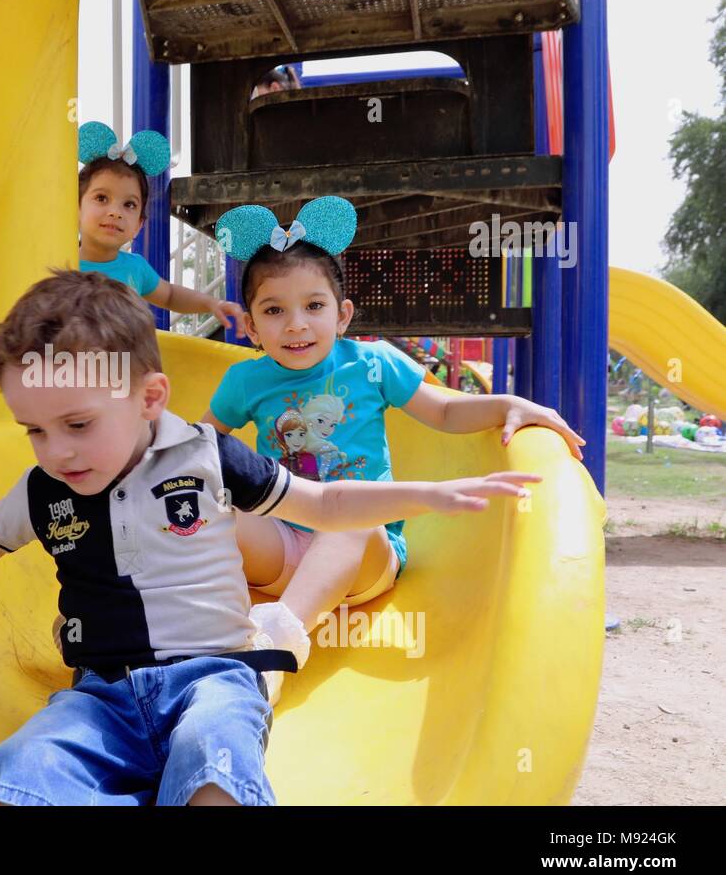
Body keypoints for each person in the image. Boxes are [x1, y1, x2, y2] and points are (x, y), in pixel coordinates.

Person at [0, 270, 538, 806]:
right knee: (15, 775)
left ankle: (274, 644)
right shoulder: (49, 492)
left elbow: (323, 502)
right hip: (99, 697)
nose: (58, 451)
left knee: (215, 763)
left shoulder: (204, 457)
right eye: (35, 430)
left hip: (214, 677)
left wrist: (428, 494)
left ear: (149, 398)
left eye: (77, 425)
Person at [201, 198, 584, 652]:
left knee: (354, 515)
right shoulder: (246, 380)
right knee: (207, 505)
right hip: (282, 544)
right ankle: (198, 623)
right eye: (274, 311)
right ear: (249, 326)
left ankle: (280, 641)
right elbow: (201, 447)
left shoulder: (372, 363)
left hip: (363, 555)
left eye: (313, 305)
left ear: (341, 315)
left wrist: (508, 404)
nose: (295, 324)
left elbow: (444, 411)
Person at [76, 121, 247, 337]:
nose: (115, 212)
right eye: (101, 198)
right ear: (76, 210)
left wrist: (211, 303)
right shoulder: (60, 261)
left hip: (122, 366)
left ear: (139, 225)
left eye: (129, 204)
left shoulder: (135, 268)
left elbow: (170, 295)